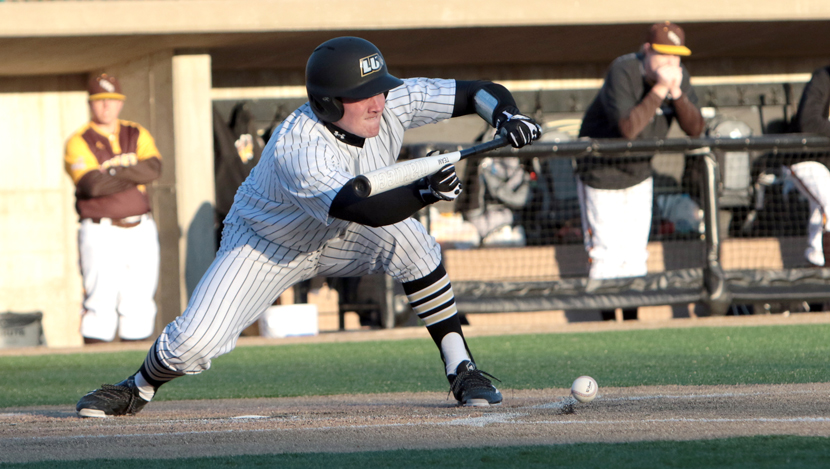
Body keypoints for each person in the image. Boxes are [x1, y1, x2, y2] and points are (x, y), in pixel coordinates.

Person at [75, 36, 541, 417]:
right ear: (330, 103)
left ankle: (462, 368)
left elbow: (477, 91)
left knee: (414, 244)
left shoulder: (390, 99)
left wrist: (506, 115)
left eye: (380, 87)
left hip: (338, 236)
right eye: (365, 94)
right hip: (267, 244)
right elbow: (360, 208)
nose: (380, 100)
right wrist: (424, 191)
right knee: (193, 345)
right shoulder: (299, 145)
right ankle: (138, 386)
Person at [575, 21, 704, 321]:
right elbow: (628, 129)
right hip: (600, 173)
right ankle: (608, 323)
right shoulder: (623, 70)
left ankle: (631, 322)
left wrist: (677, 94)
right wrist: (661, 88)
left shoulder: (679, 78)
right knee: (606, 252)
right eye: (664, 56)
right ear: (647, 51)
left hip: (639, 173)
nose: (671, 64)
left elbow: (697, 129)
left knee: (635, 252)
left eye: (676, 57)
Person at [64, 74, 162, 344]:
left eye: (112, 100)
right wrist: (133, 174)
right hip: (100, 230)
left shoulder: (136, 132)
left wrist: (113, 170)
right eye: (99, 100)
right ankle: (96, 376)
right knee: (99, 304)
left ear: (120, 103)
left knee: (140, 302)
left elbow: (154, 168)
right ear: (90, 104)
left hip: (141, 227)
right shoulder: (79, 140)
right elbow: (92, 185)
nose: (106, 106)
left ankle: (138, 380)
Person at [787, 65, 830, 266]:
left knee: (820, 214)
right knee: (829, 204)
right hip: (807, 160)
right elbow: (808, 123)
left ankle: (814, 263)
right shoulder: (823, 78)